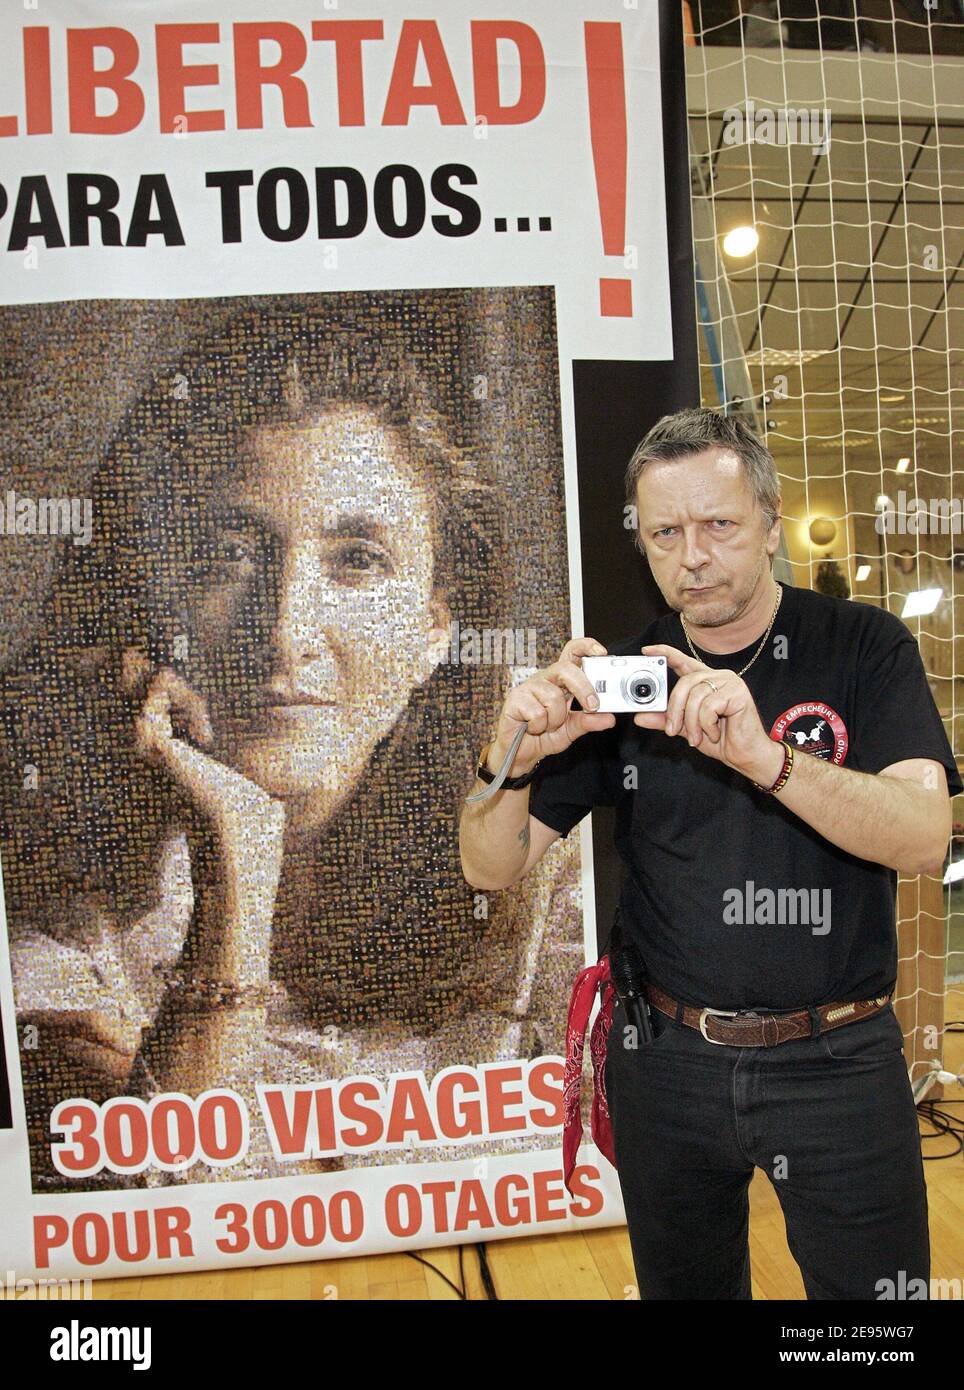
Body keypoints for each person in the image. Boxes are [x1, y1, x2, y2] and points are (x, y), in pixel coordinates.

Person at [3, 294, 580, 1190]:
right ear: (159, 591)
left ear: (435, 631)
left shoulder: (549, 816)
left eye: (358, 560)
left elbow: (609, 1154)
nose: (284, 632)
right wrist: (236, 868)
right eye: (232, 551)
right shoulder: (54, 849)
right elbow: (161, 1211)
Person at [459, 406, 960, 1300]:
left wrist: (765, 758)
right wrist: (511, 758)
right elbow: (488, 867)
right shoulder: (620, 683)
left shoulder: (863, 645)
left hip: (838, 1062)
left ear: (770, 522)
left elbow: (925, 837)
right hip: (668, 1061)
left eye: (719, 525)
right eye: (666, 533)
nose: (692, 555)